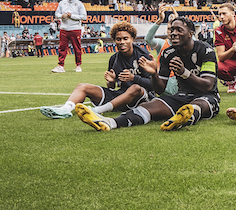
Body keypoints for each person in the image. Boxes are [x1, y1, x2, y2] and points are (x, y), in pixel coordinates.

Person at [79, 17, 220, 131]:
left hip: (207, 97)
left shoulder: (205, 50)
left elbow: (208, 86)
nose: (174, 33)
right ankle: (110, 122)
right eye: (171, 29)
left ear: (190, 33)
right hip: (181, 96)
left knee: (196, 106)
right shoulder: (167, 53)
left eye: (179, 30)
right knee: (149, 106)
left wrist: (184, 73)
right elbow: (160, 90)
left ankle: (182, 119)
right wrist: (153, 74)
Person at [47, 22, 154, 121]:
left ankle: (98, 111)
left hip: (141, 99)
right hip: (122, 97)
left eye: (125, 38)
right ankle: (65, 110)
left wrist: (133, 78)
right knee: (82, 86)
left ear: (132, 39)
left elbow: (152, 86)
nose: (122, 42)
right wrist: (111, 81)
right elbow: (112, 87)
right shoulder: (114, 59)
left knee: (134, 87)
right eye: (118, 39)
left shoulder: (143, 55)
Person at [53, 0, 86, 72]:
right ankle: (61, 66)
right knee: (62, 48)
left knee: (77, 48)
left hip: (75, 29)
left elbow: (84, 17)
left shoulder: (79, 4)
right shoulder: (62, 3)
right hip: (63, 28)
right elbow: (56, 14)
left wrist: (72, 16)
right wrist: (62, 16)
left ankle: (78, 65)